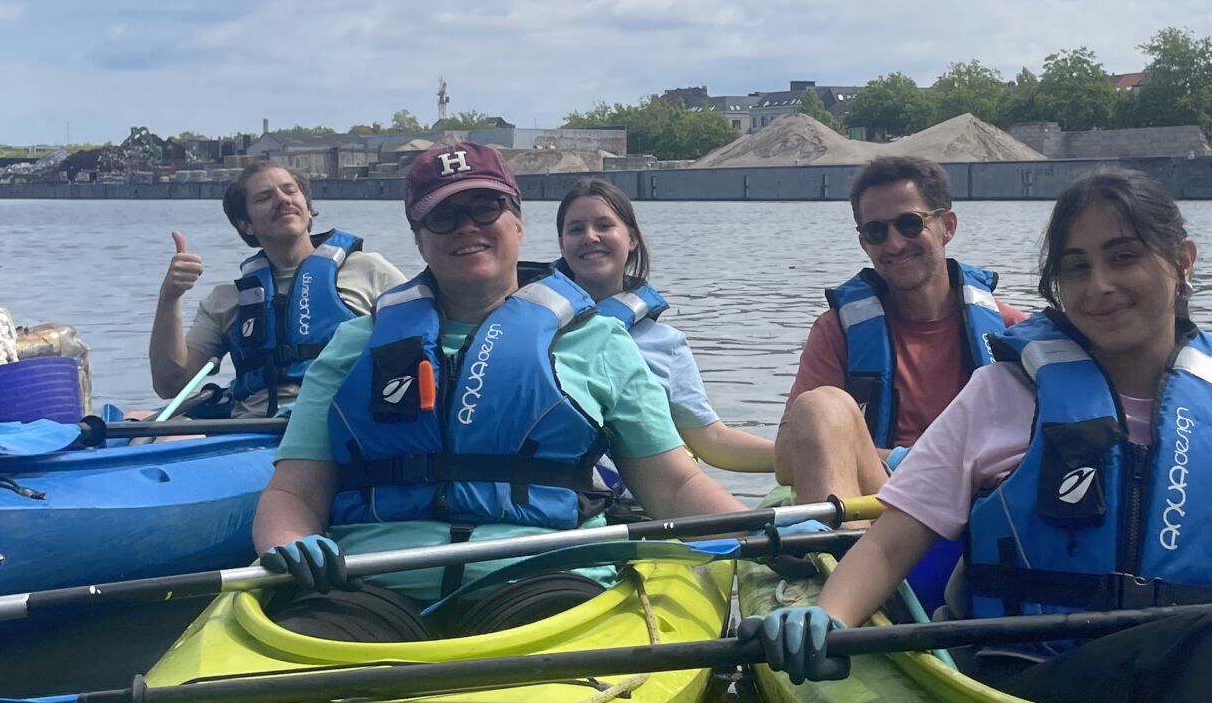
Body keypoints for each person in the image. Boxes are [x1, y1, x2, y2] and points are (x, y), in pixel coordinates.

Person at [753, 167, 1212, 703]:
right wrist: (830, 617)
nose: (1099, 287)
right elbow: (890, 542)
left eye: (1123, 257)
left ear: (1182, 260)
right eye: (1075, 268)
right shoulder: (1001, 395)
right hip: (1039, 681)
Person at [253, 142, 744, 640]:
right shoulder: (354, 344)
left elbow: (676, 487)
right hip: (366, 587)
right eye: (442, 216)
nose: (466, 226)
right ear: (419, 241)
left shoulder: (599, 342)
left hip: (543, 581)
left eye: (485, 208)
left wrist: (774, 533)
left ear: (517, 223)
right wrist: (286, 540)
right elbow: (294, 489)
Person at [776, 154, 1025, 507]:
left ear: (947, 227)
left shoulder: (1012, 332)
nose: (894, 244)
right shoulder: (837, 332)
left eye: (910, 223)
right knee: (819, 406)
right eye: (876, 231)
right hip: (879, 509)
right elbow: (786, 465)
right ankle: (844, 561)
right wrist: (895, 459)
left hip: (982, 514)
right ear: (864, 243)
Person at [551, 177, 778, 475]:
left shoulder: (665, 343)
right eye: (576, 229)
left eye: (604, 226)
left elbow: (712, 440)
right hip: (556, 500)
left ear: (632, 238)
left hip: (644, 509)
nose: (590, 237)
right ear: (562, 244)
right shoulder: (531, 333)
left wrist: (804, 457)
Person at [151, 159, 404, 417]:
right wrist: (170, 296)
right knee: (147, 423)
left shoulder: (370, 271)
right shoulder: (226, 300)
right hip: (251, 433)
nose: (283, 200)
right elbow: (170, 384)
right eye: (265, 197)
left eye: (291, 191)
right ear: (245, 224)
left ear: (307, 207)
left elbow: (427, 342)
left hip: (343, 426)